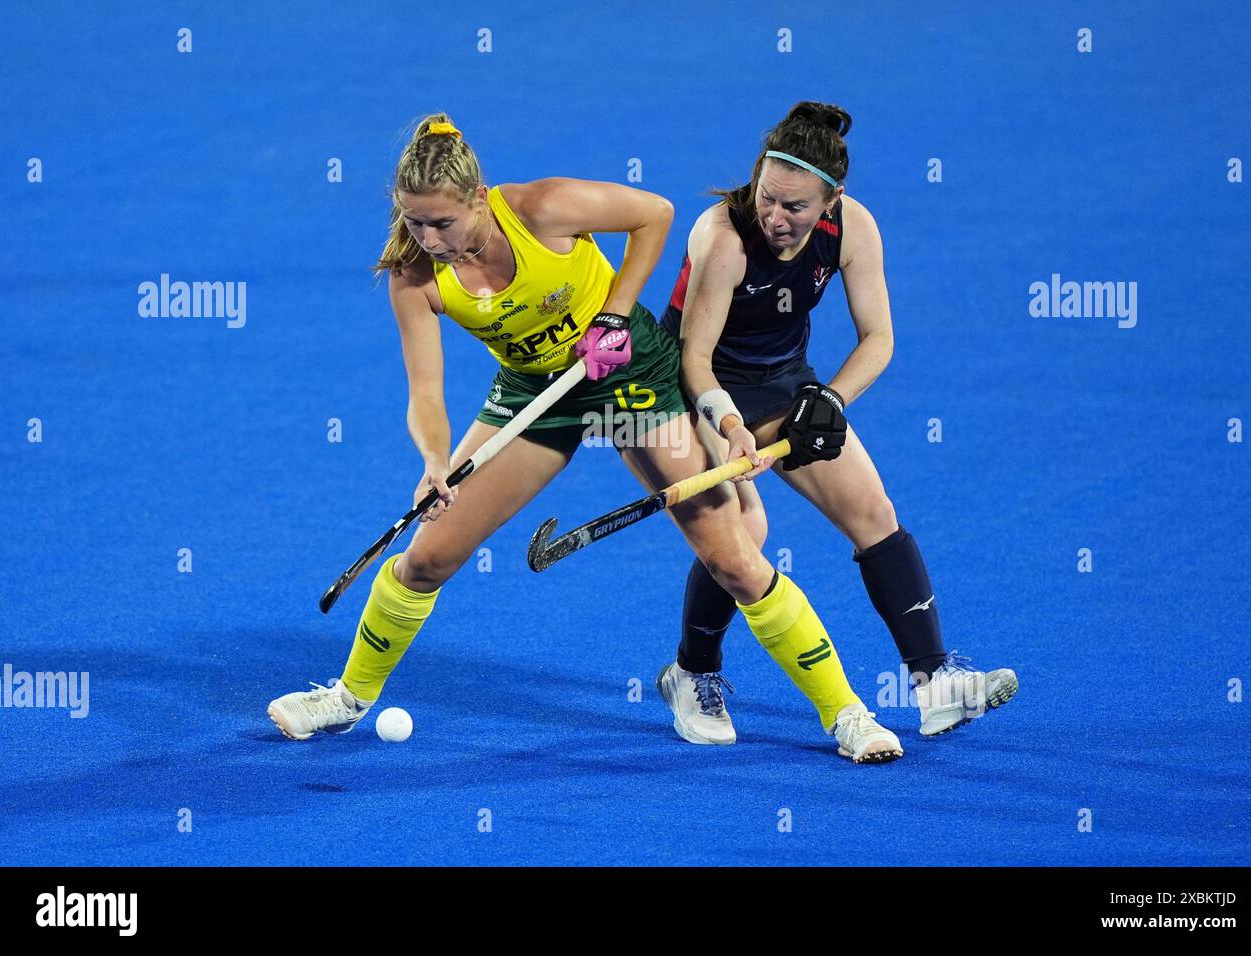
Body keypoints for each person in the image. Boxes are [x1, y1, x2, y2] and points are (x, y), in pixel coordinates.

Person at [267, 113, 904, 763]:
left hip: (630, 375)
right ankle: (348, 696)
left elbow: (653, 214)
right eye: (414, 222)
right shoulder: (414, 277)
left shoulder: (541, 210)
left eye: (441, 222)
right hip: (535, 398)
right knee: (428, 557)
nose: (428, 238)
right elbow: (426, 394)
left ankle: (846, 713)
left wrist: (614, 315)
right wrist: (434, 459)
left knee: (734, 557)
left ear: (478, 199)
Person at [657, 101, 1018, 745]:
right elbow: (694, 360)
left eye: (795, 207)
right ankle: (692, 674)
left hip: (783, 376)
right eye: (768, 197)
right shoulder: (723, 238)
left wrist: (830, 398)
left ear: (831, 199)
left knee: (873, 513)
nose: (775, 216)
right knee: (745, 528)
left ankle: (934, 683)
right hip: (696, 388)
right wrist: (730, 427)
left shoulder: (854, 229)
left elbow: (878, 338)